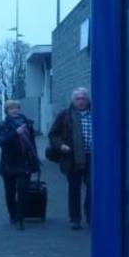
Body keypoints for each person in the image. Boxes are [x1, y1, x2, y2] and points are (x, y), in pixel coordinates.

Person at [49, 87, 93, 229]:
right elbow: (53, 134)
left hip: (92, 157)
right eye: (77, 99)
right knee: (74, 188)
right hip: (72, 157)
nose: (81, 101)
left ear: (88, 100)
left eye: (83, 98)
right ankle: (75, 218)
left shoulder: (96, 113)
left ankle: (91, 216)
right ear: (73, 101)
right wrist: (60, 145)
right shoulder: (65, 115)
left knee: (92, 186)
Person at [0, 100, 40, 230]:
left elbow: (32, 144)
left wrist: (35, 161)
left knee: (22, 191)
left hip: (25, 162)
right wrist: (16, 133)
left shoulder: (27, 124)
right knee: (10, 192)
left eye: (16, 108)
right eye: (11, 109)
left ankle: (21, 217)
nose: (14, 110)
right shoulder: (2, 126)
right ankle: (13, 215)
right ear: (7, 111)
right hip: (9, 163)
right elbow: (2, 142)